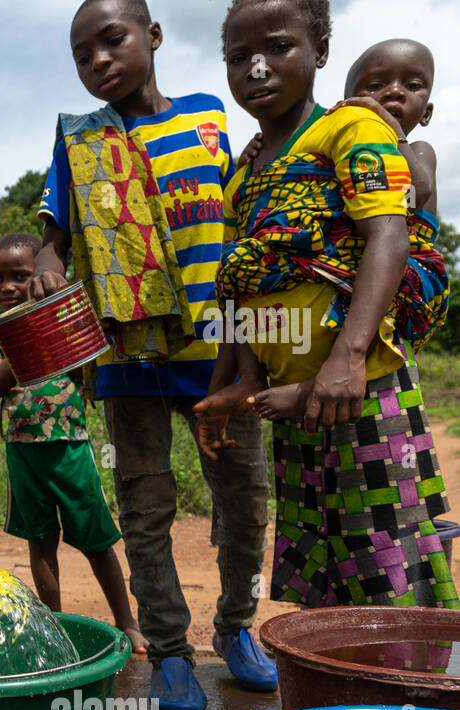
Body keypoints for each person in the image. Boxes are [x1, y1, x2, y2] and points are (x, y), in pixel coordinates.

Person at [30, 0, 276, 710]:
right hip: (127, 356)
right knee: (145, 502)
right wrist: (48, 263)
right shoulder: (78, 142)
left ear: (154, 36)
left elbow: (240, 206)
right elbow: (53, 237)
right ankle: (169, 649)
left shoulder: (208, 117)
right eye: (83, 54)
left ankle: (235, 629)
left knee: (244, 497)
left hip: (221, 353)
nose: (99, 61)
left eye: (113, 41)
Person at [194, 3, 455, 611]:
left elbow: (388, 233)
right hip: (295, 407)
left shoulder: (351, 131)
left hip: (362, 386)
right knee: (323, 564)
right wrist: (237, 381)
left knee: (386, 563)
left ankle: (399, 698)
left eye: (279, 47)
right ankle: (333, 695)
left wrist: (348, 358)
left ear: (321, 53)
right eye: (238, 57)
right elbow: (244, 281)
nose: (256, 67)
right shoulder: (243, 175)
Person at [200, 37, 449, 422]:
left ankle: (314, 384)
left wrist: (385, 128)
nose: (392, 93)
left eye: (412, 86)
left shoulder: (417, 150)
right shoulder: (321, 153)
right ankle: (300, 382)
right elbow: (239, 273)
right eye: (375, 86)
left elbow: (418, 190)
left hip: (397, 282)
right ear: (344, 100)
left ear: (427, 111)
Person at [0, 234, 147, 655]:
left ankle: (127, 622)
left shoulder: (62, 321)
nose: (8, 287)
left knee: (96, 539)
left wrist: (42, 321)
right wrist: (18, 334)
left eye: (19, 276)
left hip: (70, 446)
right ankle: (54, 625)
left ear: (37, 276)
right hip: (22, 451)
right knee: (41, 541)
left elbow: (93, 359)